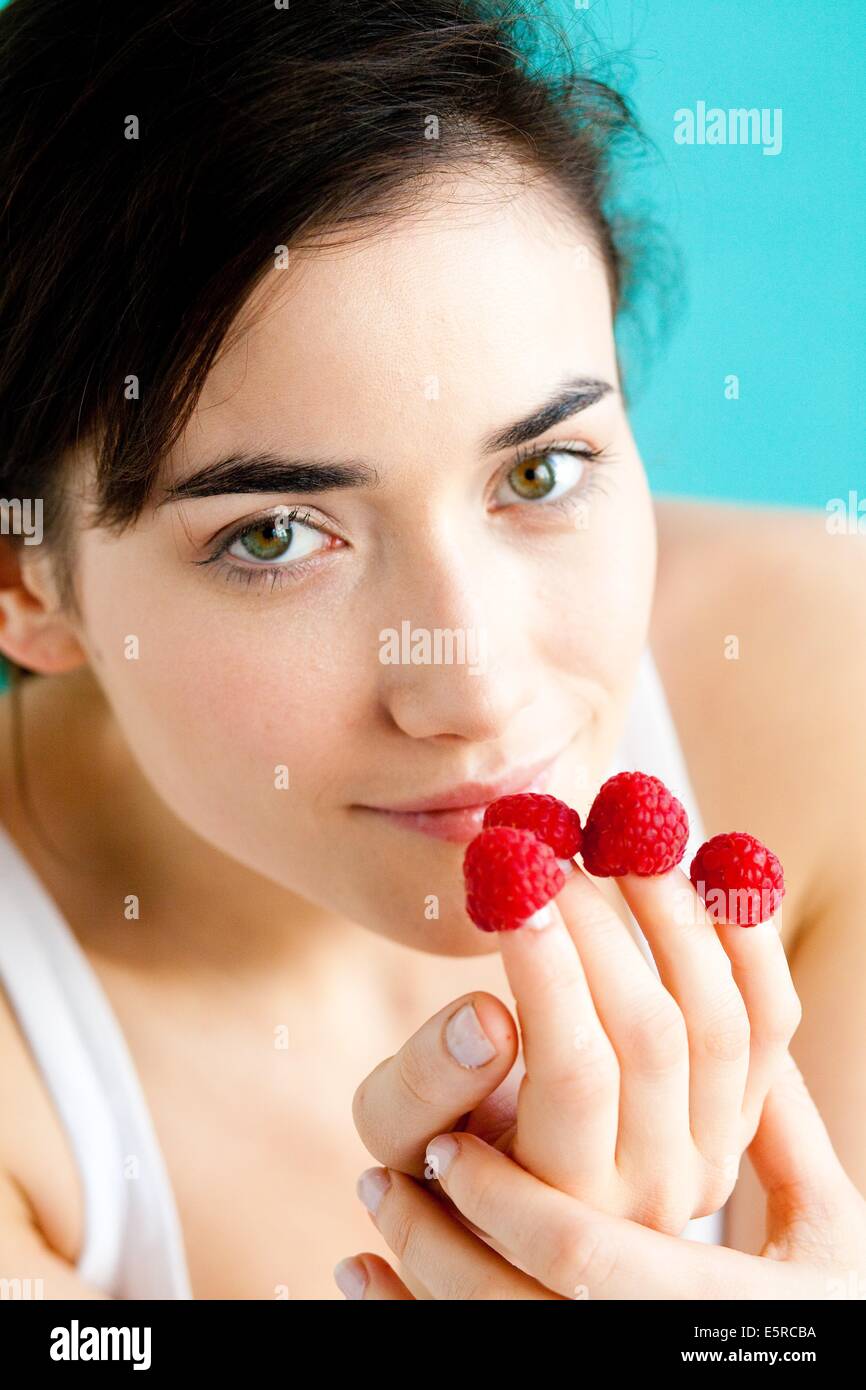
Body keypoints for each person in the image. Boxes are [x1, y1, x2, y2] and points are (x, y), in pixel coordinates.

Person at [0, 0, 864, 1301]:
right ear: (28, 579)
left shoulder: (829, 688)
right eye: (276, 535)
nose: (476, 684)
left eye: (540, 467)